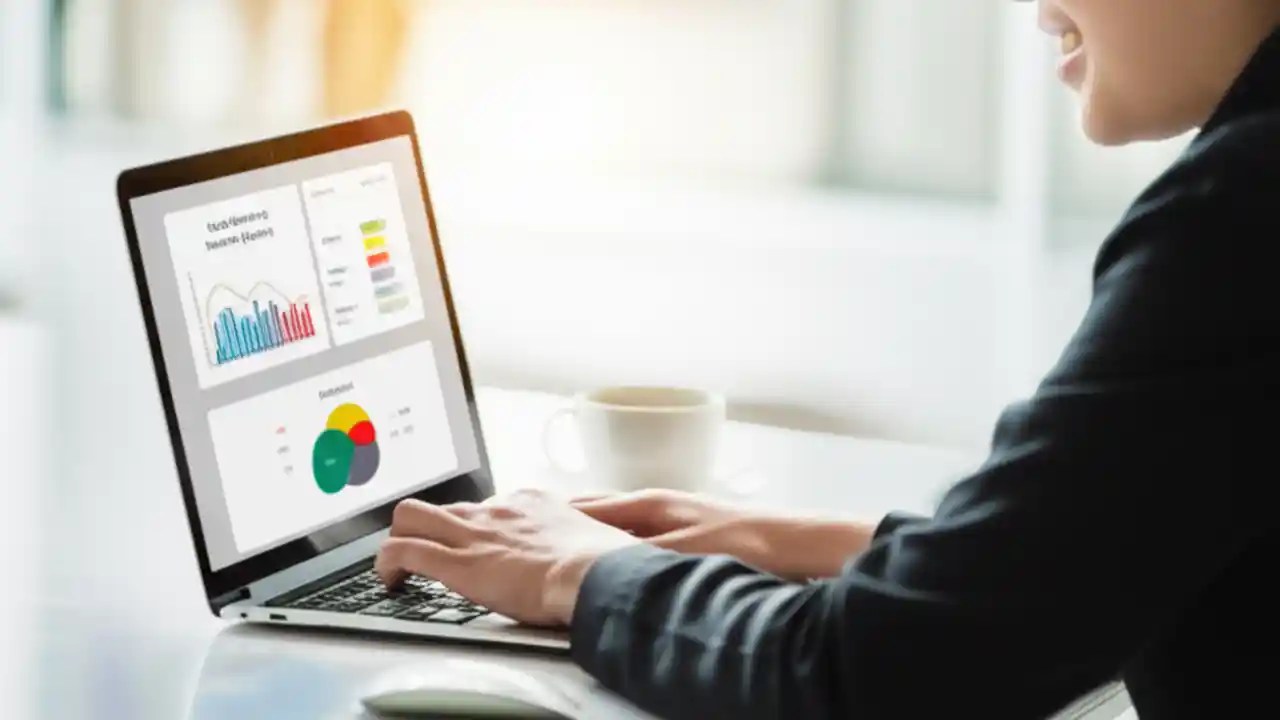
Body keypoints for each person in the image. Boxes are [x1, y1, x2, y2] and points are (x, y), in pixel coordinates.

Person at [375, 1, 1280, 717]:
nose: (1039, 11)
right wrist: (799, 543)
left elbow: (884, 677)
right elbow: (1128, 551)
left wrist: (578, 572)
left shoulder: (1240, 213)